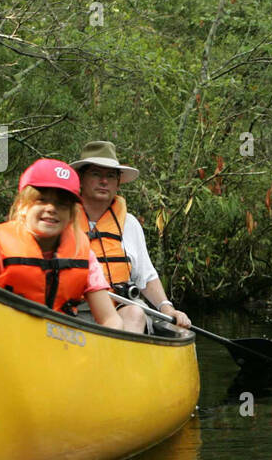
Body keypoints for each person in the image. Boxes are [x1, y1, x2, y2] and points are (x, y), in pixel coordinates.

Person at [0, 159, 123, 328]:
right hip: (1, 340)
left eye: (61, 204)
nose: (51, 208)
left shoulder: (84, 256)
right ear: (22, 206)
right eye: (41, 200)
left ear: (71, 214)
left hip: (57, 345)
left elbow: (110, 319)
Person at [69, 140, 190, 331]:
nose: (103, 181)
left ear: (117, 183)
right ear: (80, 179)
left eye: (110, 175)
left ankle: (120, 357)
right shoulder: (62, 218)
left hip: (119, 309)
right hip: (73, 309)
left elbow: (146, 276)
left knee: (135, 312)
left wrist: (167, 308)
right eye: (95, 173)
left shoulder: (129, 223)